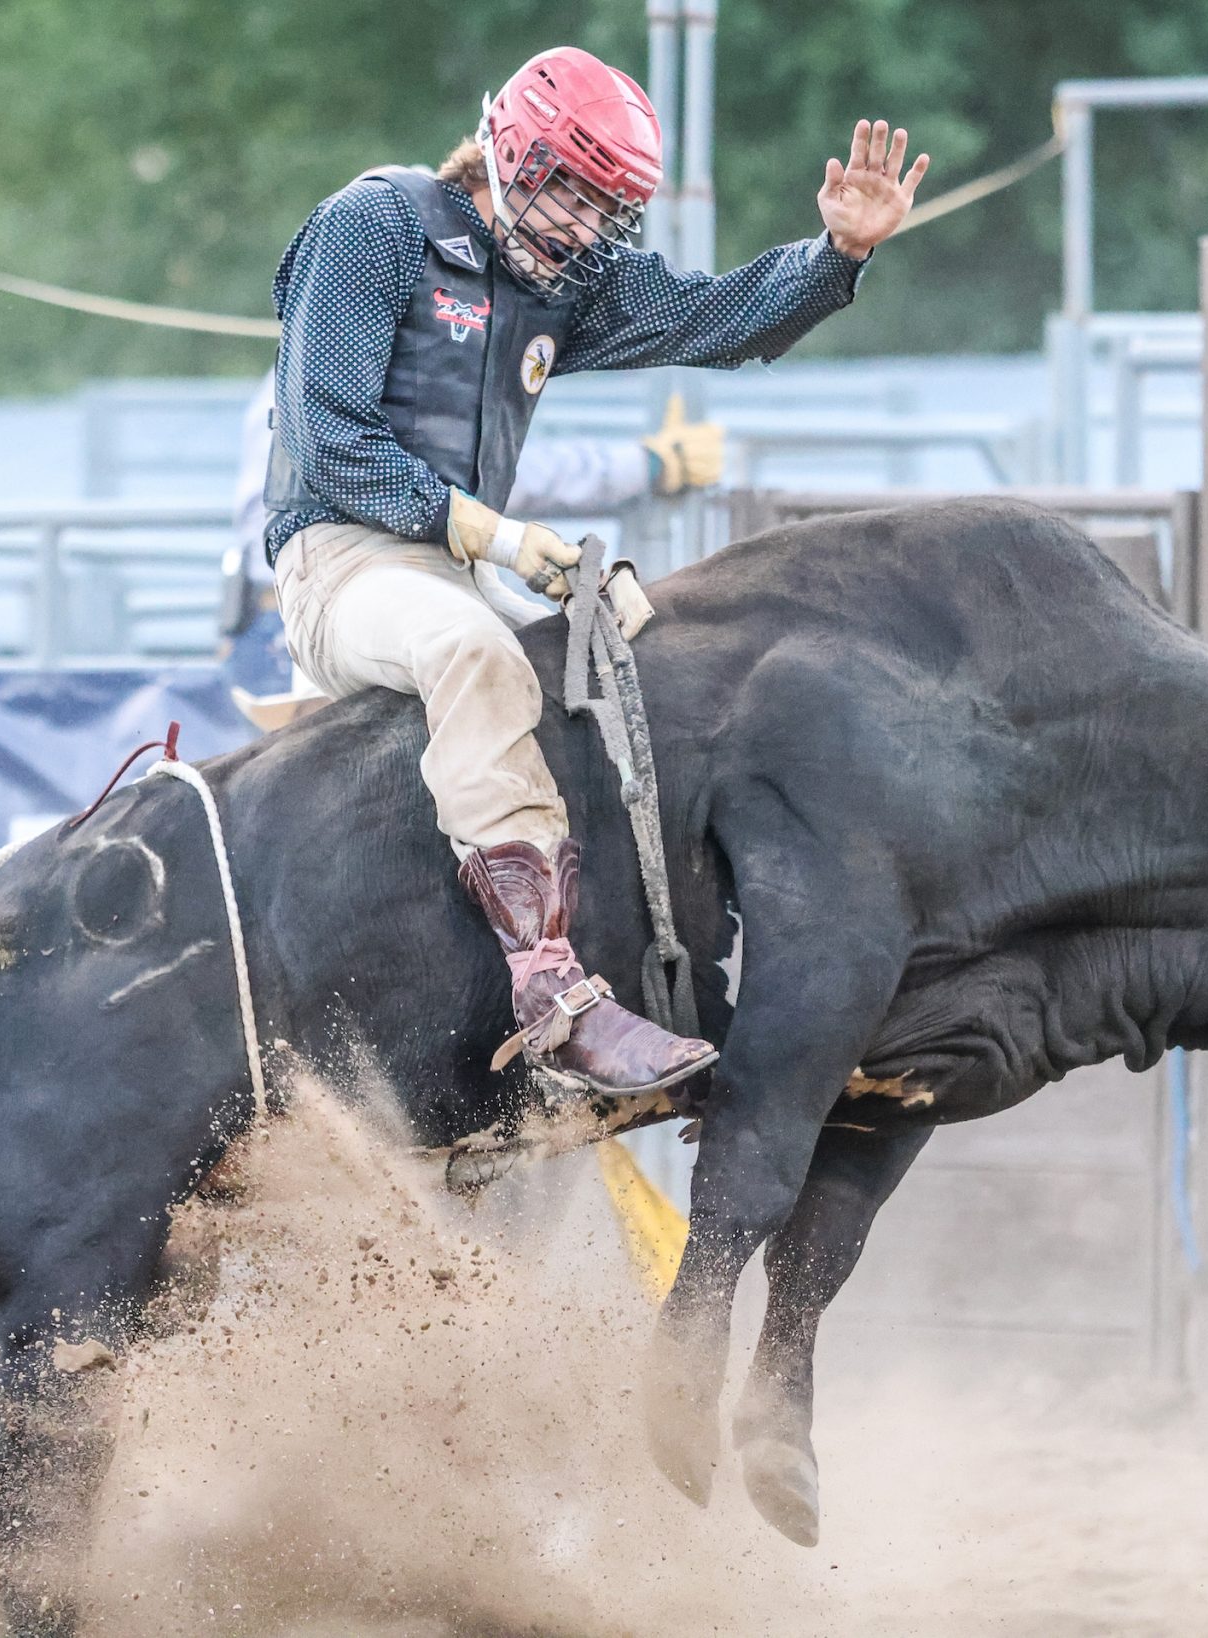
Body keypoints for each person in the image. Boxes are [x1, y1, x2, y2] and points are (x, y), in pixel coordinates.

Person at [266, 47, 924, 1102]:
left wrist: (834, 255)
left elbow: (713, 320)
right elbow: (329, 441)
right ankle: (549, 997)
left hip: (456, 563)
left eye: (608, 209)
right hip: (338, 558)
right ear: (511, 152)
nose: (584, 227)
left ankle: (655, 962)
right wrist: (494, 535)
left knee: (629, 654)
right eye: (571, 190)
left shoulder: (561, 280)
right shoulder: (374, 224)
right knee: (472, 652)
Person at [219, 367, 723, 704]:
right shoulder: (364, 362)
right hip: (298, 621)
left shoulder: (352, 354)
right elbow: (478, 480)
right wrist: (640, 465)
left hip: (287, 616)